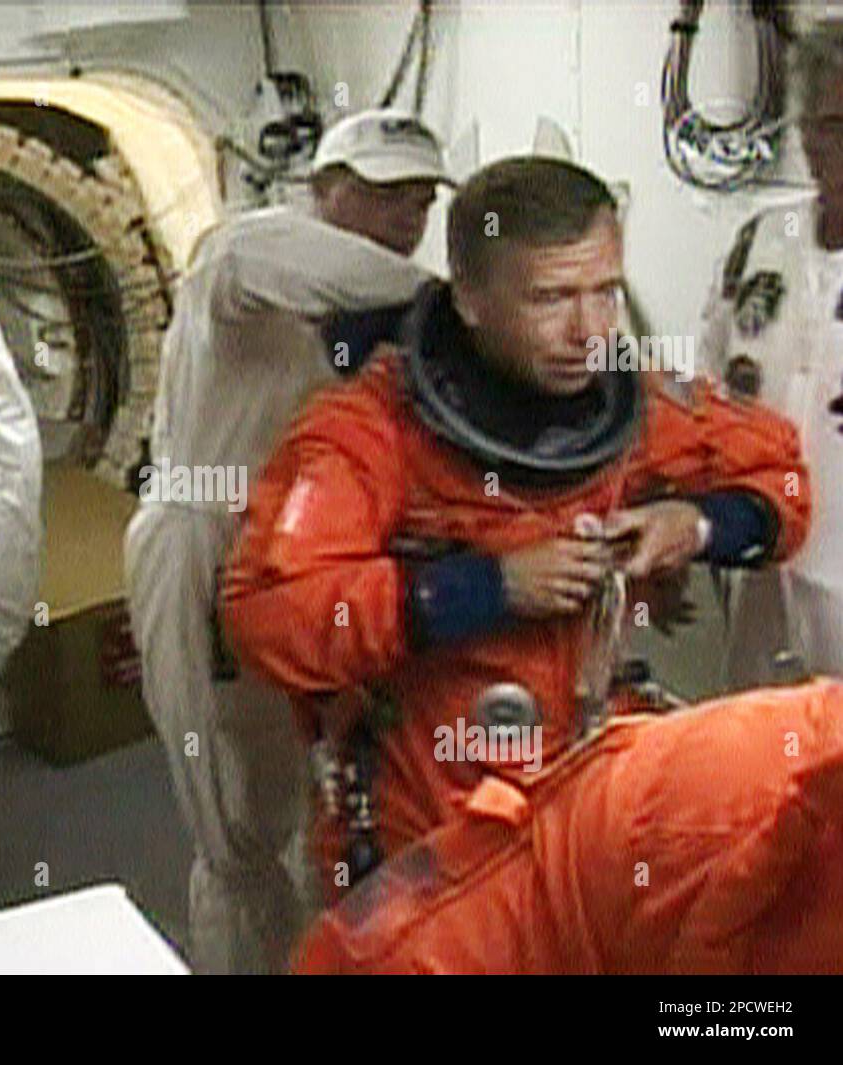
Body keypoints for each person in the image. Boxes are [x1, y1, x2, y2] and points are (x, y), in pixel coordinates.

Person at [221, 156, 843, 974]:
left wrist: (690, 525)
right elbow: (269, 614)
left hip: (589, 791)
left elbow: (785, 477)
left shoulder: (631, 404)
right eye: (552, 298)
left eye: (606, 291)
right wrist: (488, 586)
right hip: (434, 806)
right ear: (471, 299)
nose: (590, 330)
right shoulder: (364, 435)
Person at [123, 108, 451, 973]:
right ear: (324, 188)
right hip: (206, 548)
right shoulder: (243, 260)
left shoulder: (379, 322)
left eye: (419, 201)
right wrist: (463, 300)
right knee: (241, 811)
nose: (404, 219)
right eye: (382, 195)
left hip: (305, 564)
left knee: (326, 790)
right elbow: (277, 263)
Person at [700, 18, 843, 688]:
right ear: (804, 130)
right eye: (832, 123)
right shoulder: (762, 240)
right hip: (761, 574)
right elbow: (707, 396)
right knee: (758, 771)